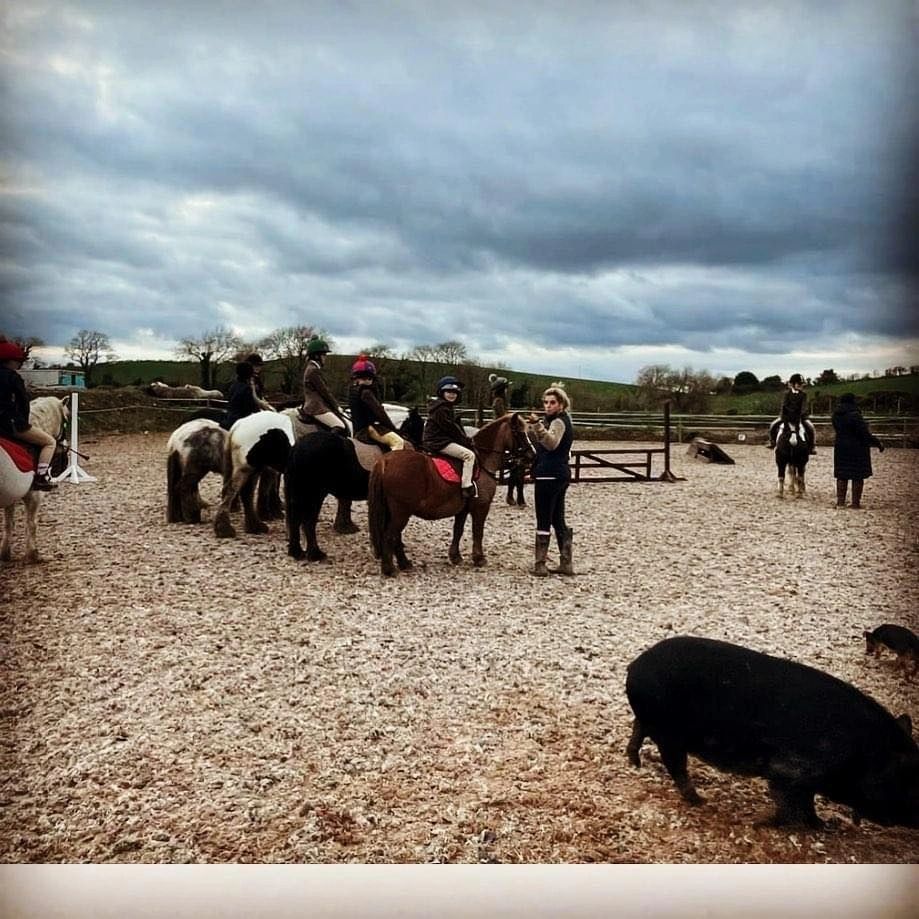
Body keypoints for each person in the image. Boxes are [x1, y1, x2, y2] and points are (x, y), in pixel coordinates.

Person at [529, 383, 574, 576]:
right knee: (557, 518)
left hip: (549, 474)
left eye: (552, 402)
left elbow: (551, 444)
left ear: (561, 404)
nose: (548, 406)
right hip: (559, 474)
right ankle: (566, 562)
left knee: (544, 518)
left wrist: (537, 426)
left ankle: (540, 564)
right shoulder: (560, 421)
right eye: (545, 402)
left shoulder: (558, 422)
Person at [0, 340, 57, 490]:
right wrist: (23, 423)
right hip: (9, 424)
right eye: (18, 361)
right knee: (49, 442)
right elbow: (23, 402)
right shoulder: (13, 377)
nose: (19, 365)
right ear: (9, 361)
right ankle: (41, 477)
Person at [422, 375, 477, 497]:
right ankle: (466, 486)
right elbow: (450, 429)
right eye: (449, 392)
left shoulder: (443, 406)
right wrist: (465, 441)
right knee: (469, 455)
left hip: (437, 440)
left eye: (455, 392)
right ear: (442, 392)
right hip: (438, 442)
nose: (452, 395)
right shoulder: (442, 409)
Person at [832, 392, 884, 509]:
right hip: (857, 448)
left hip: (840, 447)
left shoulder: (835, 415)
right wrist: (877, 443)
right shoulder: (855, 415)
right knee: (857, 475)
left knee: (841, 475)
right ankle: (855, 503)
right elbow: (864, 433)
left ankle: (840, 502)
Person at [348, 356, 405, 450]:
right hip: (368, 429)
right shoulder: (366, 393)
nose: (368, 380)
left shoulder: (353, 390)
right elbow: (380, 413)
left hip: (357, 429)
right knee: (398, 442)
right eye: (368, 378)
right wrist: (392, 428)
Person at [300, 336, 347, 435]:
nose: (325, 357)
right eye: (324, 355)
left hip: (316, 405)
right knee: (340, 425)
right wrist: (337, 406)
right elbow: (325, 392)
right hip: (316, 407)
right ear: (317, 356)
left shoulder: (311, 368)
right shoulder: (313, 370)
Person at [769, 373, 817, 454]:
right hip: (786, 416)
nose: (800, 386)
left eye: (801, 384)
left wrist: (800, 414)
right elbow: (784, 405)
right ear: (793, 384)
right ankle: (772, 442)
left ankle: (812, 446)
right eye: (798, 384)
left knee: (811, 427)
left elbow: (804, 406)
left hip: (801, 417)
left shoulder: (803, 395)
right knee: (773, 425)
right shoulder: (787, 394)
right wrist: (785, 415)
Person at [222, 361, 263, 430]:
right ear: (249, 374)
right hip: (241, 421)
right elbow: (251, 407)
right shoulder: (247, 388)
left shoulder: (233, 386)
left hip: (228, 418)